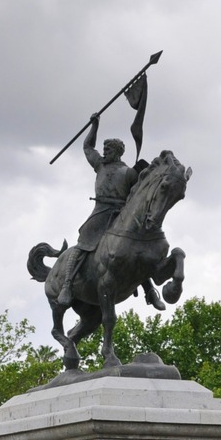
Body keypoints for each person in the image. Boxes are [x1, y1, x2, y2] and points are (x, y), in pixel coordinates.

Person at [57, 114, 144, 306]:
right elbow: (88, 147)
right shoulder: (100, 165)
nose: (105, 152)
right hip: (100, 212)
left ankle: (148, 289)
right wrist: (94, 126)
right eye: (104, 149)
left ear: (118, 152)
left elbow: (136, 196)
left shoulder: (129, 172)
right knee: (82, 243)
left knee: (137, 244)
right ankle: (67, 284)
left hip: (120, 214)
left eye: (108, 149)